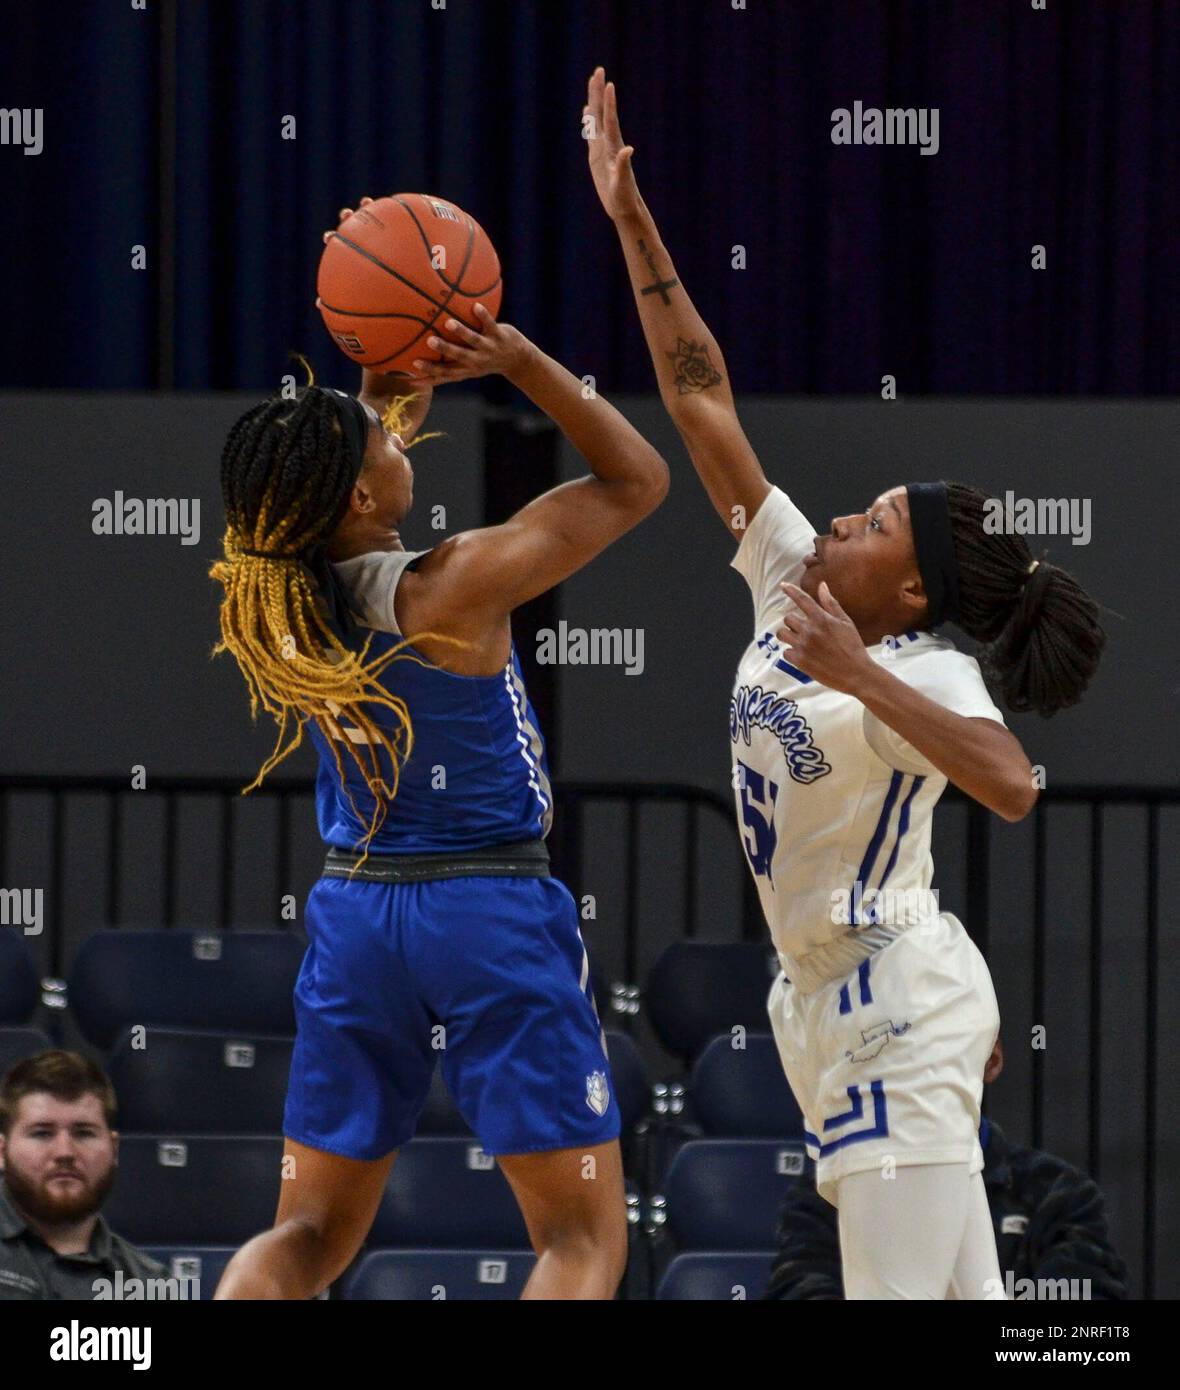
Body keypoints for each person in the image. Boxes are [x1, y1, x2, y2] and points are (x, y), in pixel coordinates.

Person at [584, 68, 1105, 1299]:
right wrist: (629, 215)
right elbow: (698, 394)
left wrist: (860, 675)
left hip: (899, 1001)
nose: (836, 518)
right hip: (814, 1002)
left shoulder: (921, 665)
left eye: (870, 522)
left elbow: (1011, 784)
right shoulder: (792, 582)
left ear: (911, 590)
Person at [209, 198, 669, 1301]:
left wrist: (390, 357)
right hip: (485, 907)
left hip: (358, 915)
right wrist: (514, 356)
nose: (391, 430)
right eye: (377, 442)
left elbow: (368, 442)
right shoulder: (449, 581)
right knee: (578, 1240)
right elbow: (637, 479)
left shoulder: (282, 588)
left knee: (310, 1233)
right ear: (364, 494)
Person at [764, 1039, 1131, 1300]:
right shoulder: (826, 1192)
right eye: (897, 1055)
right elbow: (798, 1287)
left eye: (934, 1054)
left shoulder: (1056, 1192)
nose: (915, 1075)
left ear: (991, 1060)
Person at [0, 1051, 171, 1300]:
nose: (65, 1152)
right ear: (2, 1151)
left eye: (83, 1133)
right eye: (42, 1133)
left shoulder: (150, 1287)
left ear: (114, 1149)